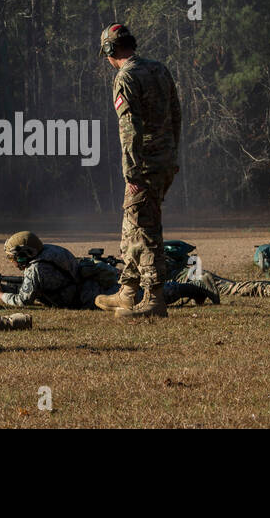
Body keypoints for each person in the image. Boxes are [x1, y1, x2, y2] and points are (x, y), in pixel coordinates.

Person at [91, 24, 182, 319]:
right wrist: (171, 153)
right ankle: (128, 291)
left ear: (110, 50)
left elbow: (129, 129)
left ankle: (154, 299)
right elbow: (176, 114)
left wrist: (132, 173)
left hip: (143, 165)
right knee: (132, 224)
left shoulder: (125, 77)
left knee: (146, 229)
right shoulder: (159, 70)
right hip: (163, 161)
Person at [0, 232, 119, 309]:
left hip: (87, 299)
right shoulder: (50, 250)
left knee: (131, 299)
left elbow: (23, 301)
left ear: (26, 254)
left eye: (14, 258)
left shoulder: (35, 269)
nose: (14, 262)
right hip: (92, 286)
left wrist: (0, 295)